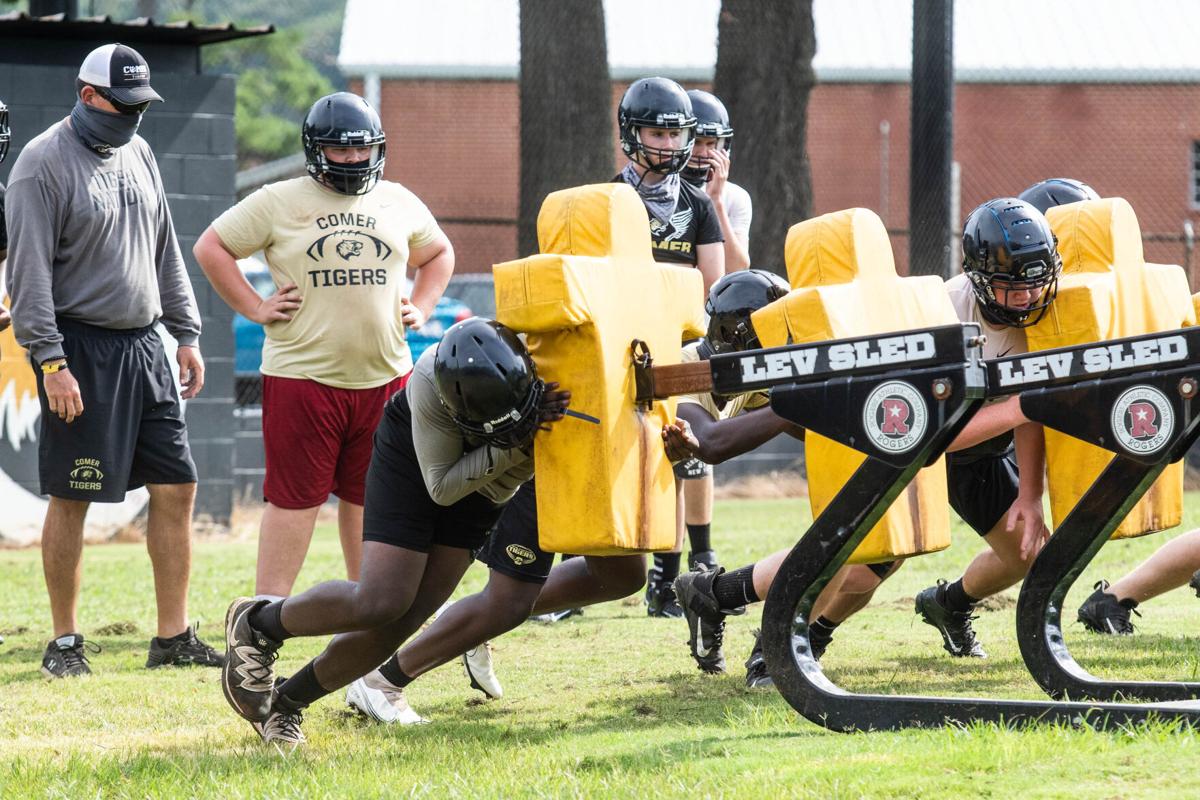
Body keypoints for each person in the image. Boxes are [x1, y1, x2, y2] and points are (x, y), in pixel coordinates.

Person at [671, 197, 1060, 683]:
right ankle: (771, 634)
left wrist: (1030, 492)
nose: (1026, 297)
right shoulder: (938, 310)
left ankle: (939, 606)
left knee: (1016, 555)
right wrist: (1021, 405)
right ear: (981, 277)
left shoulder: (1052, 312)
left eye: (1035, 282)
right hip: (923, 440)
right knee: (863, 555)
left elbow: (1031, 403)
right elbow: (931, 433)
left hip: (979, 439)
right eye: (1010, 284)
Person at [220, 319, 572, 748]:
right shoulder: (430, 378)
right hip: (418, 461)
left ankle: (285, 705)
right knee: (381, 599)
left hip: (489, 489)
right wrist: (509, 444)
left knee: (404, 620)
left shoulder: (544, 365)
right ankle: (258, 623)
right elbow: (441, 487)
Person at [6, 43, 220, 677]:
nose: (131, 116)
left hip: (145, 344)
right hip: (80, 349)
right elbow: (29, 278)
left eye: (140, 105)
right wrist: (50, 362)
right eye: (121, 104)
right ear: (87, 95)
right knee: (72, 496)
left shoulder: (140, 151)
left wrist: (185, 332)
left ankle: (172, 638)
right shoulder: (40, 165)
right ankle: (64, 643)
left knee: (177, 485)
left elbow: (164, 244)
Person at [194, 92, 454, 602]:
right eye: (341, 150)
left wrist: (421, 306)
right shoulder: (277, 199)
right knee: (295, 503)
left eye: (364, 149)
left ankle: (371, 609)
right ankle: (262, 618)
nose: (355, 159)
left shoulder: (397, 199)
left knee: (372, 500)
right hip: (302, 377)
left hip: (384, 378)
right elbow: (212, 246)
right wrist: (253, 306)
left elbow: (438, 251)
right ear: (316, 149)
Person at [615, 77, 725, 616]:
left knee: (685, 454)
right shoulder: (609, 199)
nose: (669, 144)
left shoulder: (698, 202)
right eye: (657, 132)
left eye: (676, 133)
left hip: (680, 347)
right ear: (632, 134)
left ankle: (668, 580)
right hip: (623, 347)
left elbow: (711, 287)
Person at [666, 90, 755, 602]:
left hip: (702, 333)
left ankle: (698, 556)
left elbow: (739, 271)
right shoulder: (660, 191)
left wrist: (717, 202)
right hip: (654, 327)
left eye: (712, 142)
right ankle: (662, 568)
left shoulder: (733, 198)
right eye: (696, 140)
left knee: (695, 443)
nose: (704, 153)